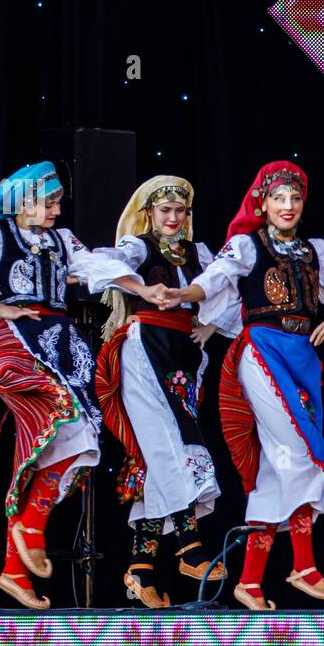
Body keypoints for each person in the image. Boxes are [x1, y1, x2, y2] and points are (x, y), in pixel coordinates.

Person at [0, 161, 164, 610]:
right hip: (14, 346)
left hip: (60, 346)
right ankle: (28, 529)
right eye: (49, 201)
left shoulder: (60, 240)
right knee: (59, 410)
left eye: (59, 201)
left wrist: (141, 286)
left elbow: (94, 262)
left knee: (79, 436)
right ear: (23, 202)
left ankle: (20, 558)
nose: (57, 209)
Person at [164, 161, 324, 611]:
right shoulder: (247, 245)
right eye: (279, 198)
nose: (287, 206)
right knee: (303, 453)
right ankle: (303, 564)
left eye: (295, 198)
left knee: (280, 464)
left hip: (302, 357)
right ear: (263, 203)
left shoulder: (316, 250)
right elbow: (214, 280)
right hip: (261, 350)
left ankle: (251, 581)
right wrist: (184, 296)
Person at [94, 176, 222, 609]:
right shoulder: (138, 248)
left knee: (154, 456)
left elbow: (230, 289)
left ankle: (141, 567)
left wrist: (210, 324)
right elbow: (102, 264)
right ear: (149, 212)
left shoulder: (198, 254)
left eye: (179, 211)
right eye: (164, 210)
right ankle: (189, 546)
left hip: (182, 358)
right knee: (171, 444)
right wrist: (142, 289)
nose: (172, 218)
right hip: (142, 352)